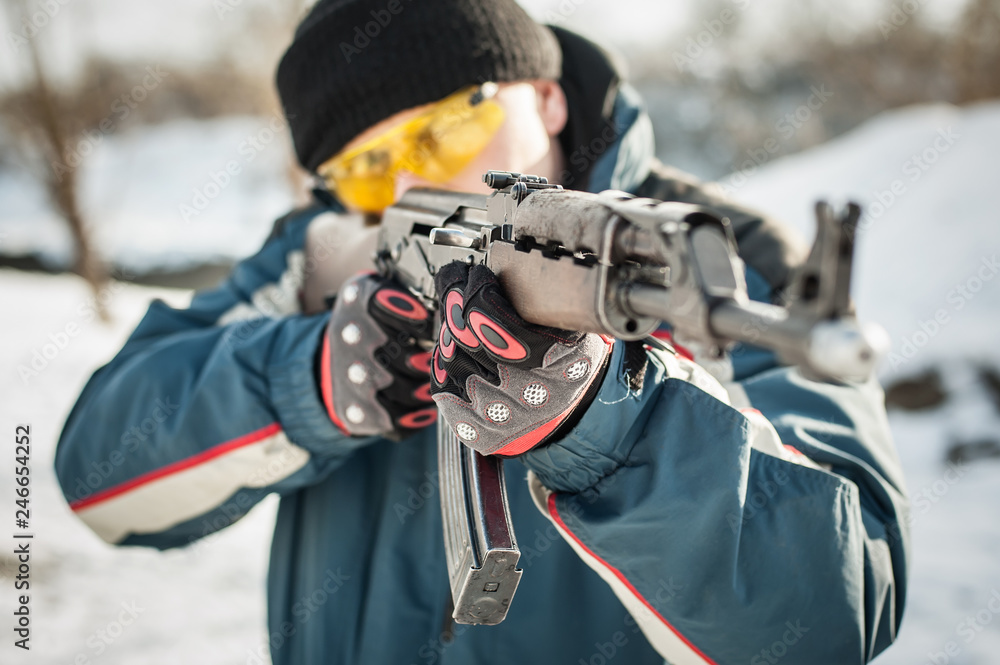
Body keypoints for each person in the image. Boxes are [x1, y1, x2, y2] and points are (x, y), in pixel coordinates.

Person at [55, 1, 910, 663]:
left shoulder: (727, 264)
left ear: (543, 94)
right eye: (367, 167)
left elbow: (831, 617)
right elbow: (99, 477)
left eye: (447, 125)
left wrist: (604, 423)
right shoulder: (309, 258)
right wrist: (311, 381)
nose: (413, 182)